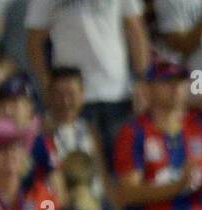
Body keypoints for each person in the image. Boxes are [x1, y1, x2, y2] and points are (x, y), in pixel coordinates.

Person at [113, 59, 202, 210]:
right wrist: (178, 186)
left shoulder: (201, 126)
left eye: (180, 82)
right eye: (167, 82)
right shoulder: (134, 132)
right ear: (149, 89)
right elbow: (127, 193)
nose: (175, 88)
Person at [25, 0, 148, 149]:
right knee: (79, 163)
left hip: (117, 91)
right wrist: (48, 87)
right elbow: (34, 40)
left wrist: (142, 80)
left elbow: (135, 28)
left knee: (121, 160)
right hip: (70, 99)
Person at [29, 66, 100, 187]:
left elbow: (102, 177)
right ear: (49, 95)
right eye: (59, 95)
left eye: (71, 94)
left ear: (82, 95)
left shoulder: (89, 130)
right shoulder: (38, 132)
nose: (65, 102)